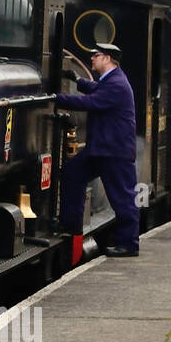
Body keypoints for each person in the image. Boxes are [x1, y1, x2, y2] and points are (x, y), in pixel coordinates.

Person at [55, 42, 139, 257]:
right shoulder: (111, 80)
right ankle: (71, 225)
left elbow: (92, 102)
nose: (91, 58)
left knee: (122, 197)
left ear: (108, 59)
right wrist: (77, 80)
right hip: (101, 150)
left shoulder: (117, 84)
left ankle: (129, 245)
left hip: (114, 153)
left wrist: (55, 99)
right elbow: (96, 89)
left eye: (96, 55)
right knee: (72, 174)